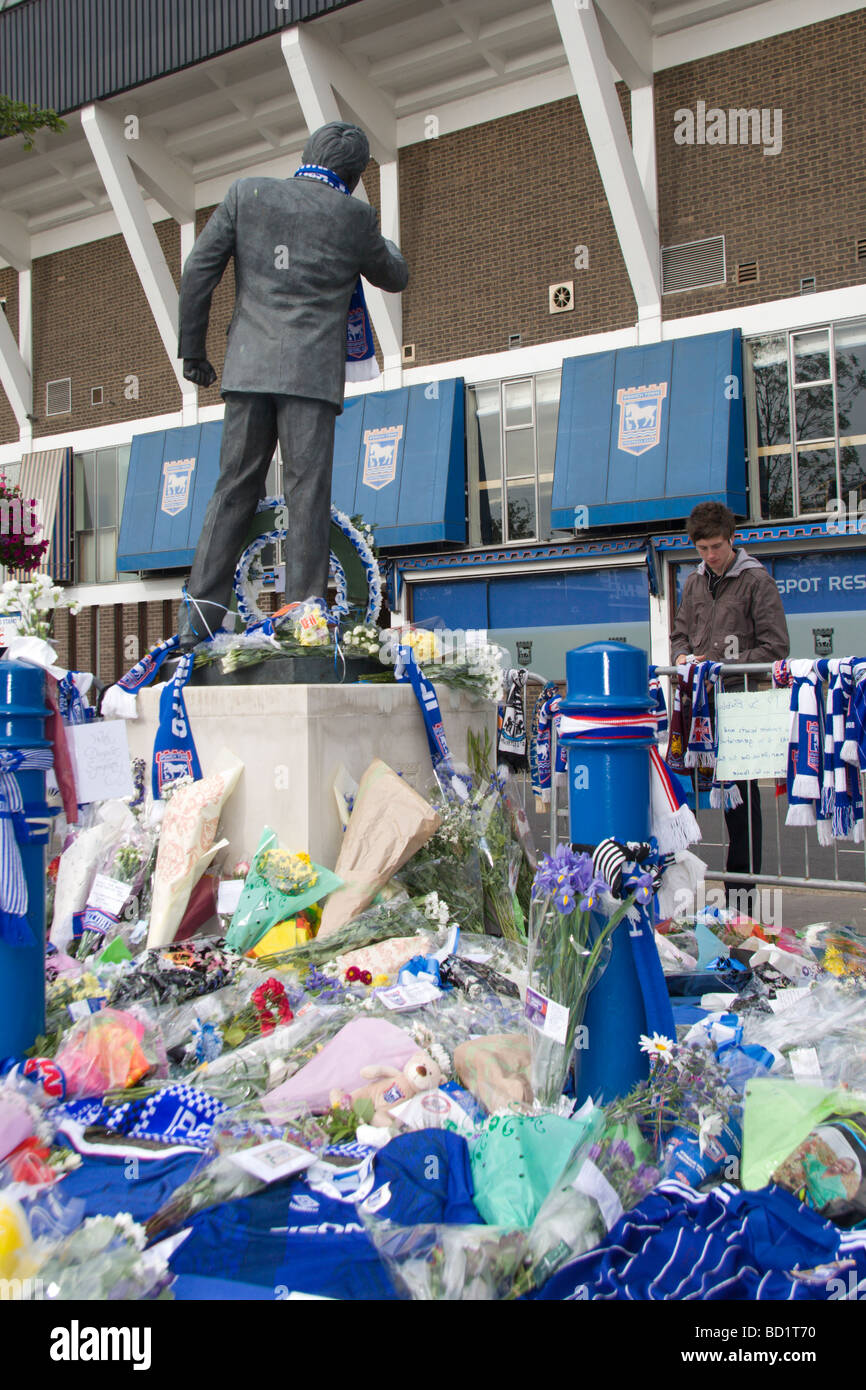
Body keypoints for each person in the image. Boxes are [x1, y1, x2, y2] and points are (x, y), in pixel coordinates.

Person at [175, 121, 409, 650]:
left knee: (234, 486)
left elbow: (197, 271)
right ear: (351, 176)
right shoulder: (354, 216)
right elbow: (395, 274)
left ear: (306, 153)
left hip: (248, 369)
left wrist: (194, 350)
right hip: (310, 377)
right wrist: (371, 235)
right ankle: (305, 619)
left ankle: (199, 619)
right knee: (306, 494)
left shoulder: (247, 193)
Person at [670, 501, 790, 902]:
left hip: (742, 705)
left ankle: (742, 895)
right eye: (702, 548)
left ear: (732, 540)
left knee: (740, 802)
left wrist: (722, 666)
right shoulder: (692, 583)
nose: (710, 556)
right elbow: (679, 636)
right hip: (700, 707)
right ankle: (689, 888)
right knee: (691, 795)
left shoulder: (757, 581)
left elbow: (776, 648)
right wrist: (683, 658)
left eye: (716, 547)